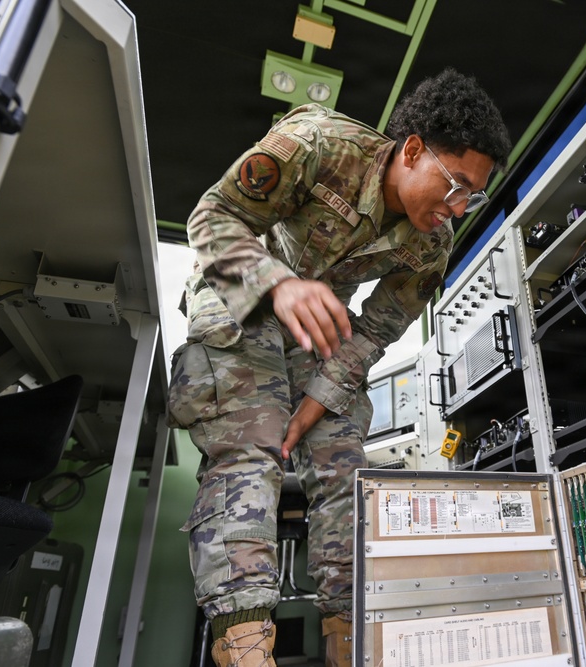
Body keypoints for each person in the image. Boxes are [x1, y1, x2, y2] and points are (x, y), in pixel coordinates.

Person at [166, 67, 511, 667]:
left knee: (344, 459)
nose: (458, 207)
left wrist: (320, 399)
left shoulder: (432, 243)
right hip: (242, 290)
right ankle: (243, 640)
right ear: (411, 150)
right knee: (255, 439)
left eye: (472, 196)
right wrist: (278, 286)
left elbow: (376, 329)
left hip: (317, 324)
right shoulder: (318, 144)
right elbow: (213, 217)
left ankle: (348, 634)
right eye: (456, 184)